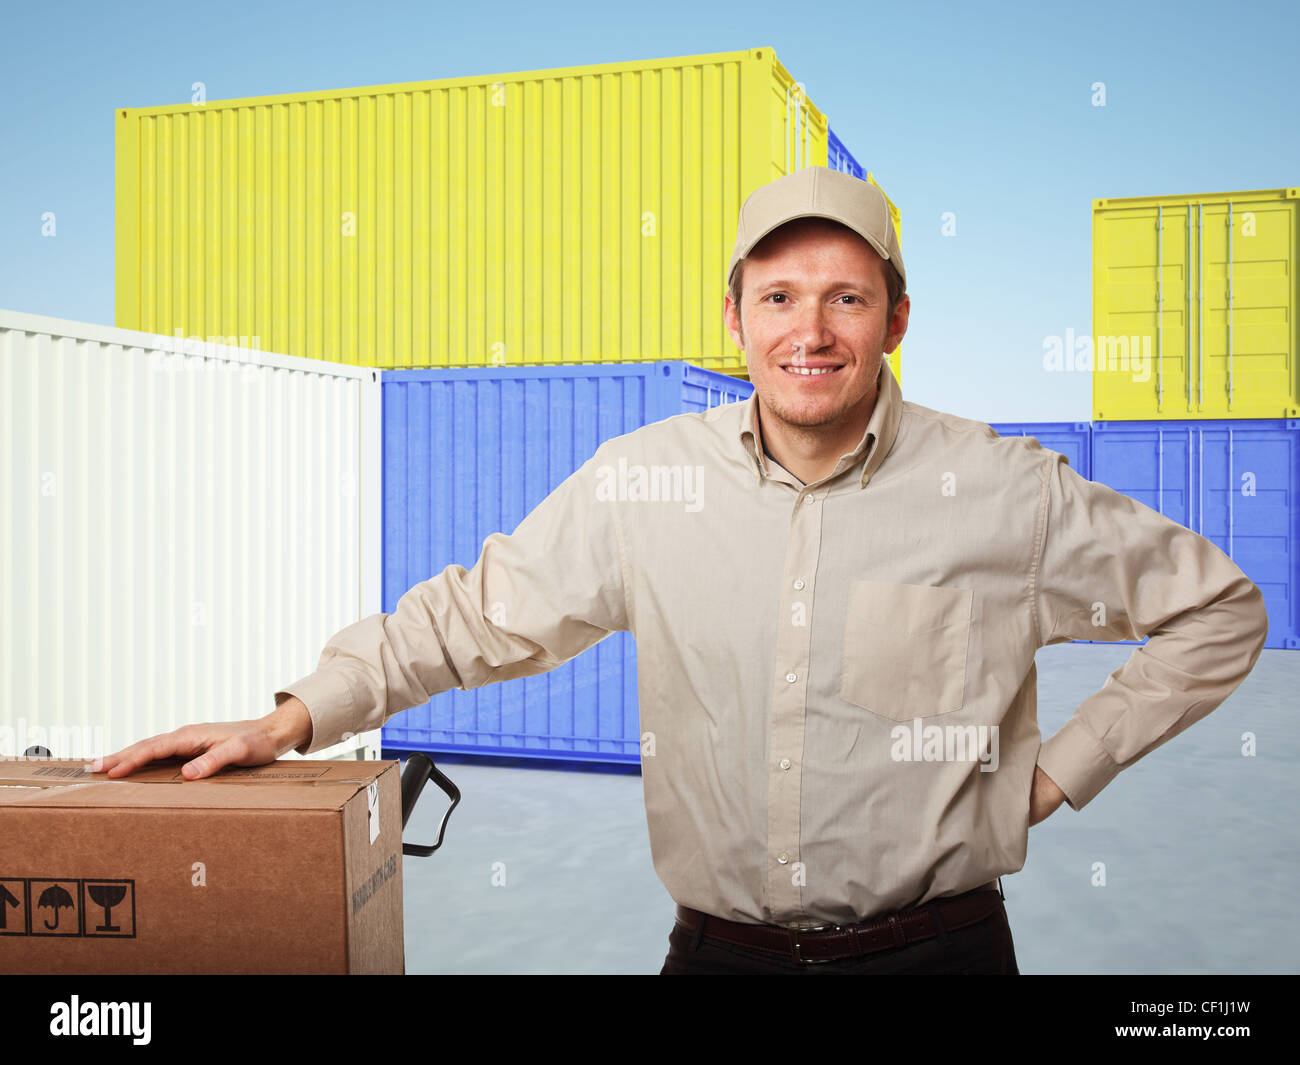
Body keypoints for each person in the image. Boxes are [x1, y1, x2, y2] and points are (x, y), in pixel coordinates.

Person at [96, 166, 1270, 974]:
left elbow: (1217, 609)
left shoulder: (1005, 492)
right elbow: (476, 617)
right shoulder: (643, 484)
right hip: (720, 958)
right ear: (735, 318)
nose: (808, 331)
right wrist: (293, 718)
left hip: (939, 958)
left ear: (895, 319)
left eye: (845, 299)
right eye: (778, 299)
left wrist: (1058, 772)